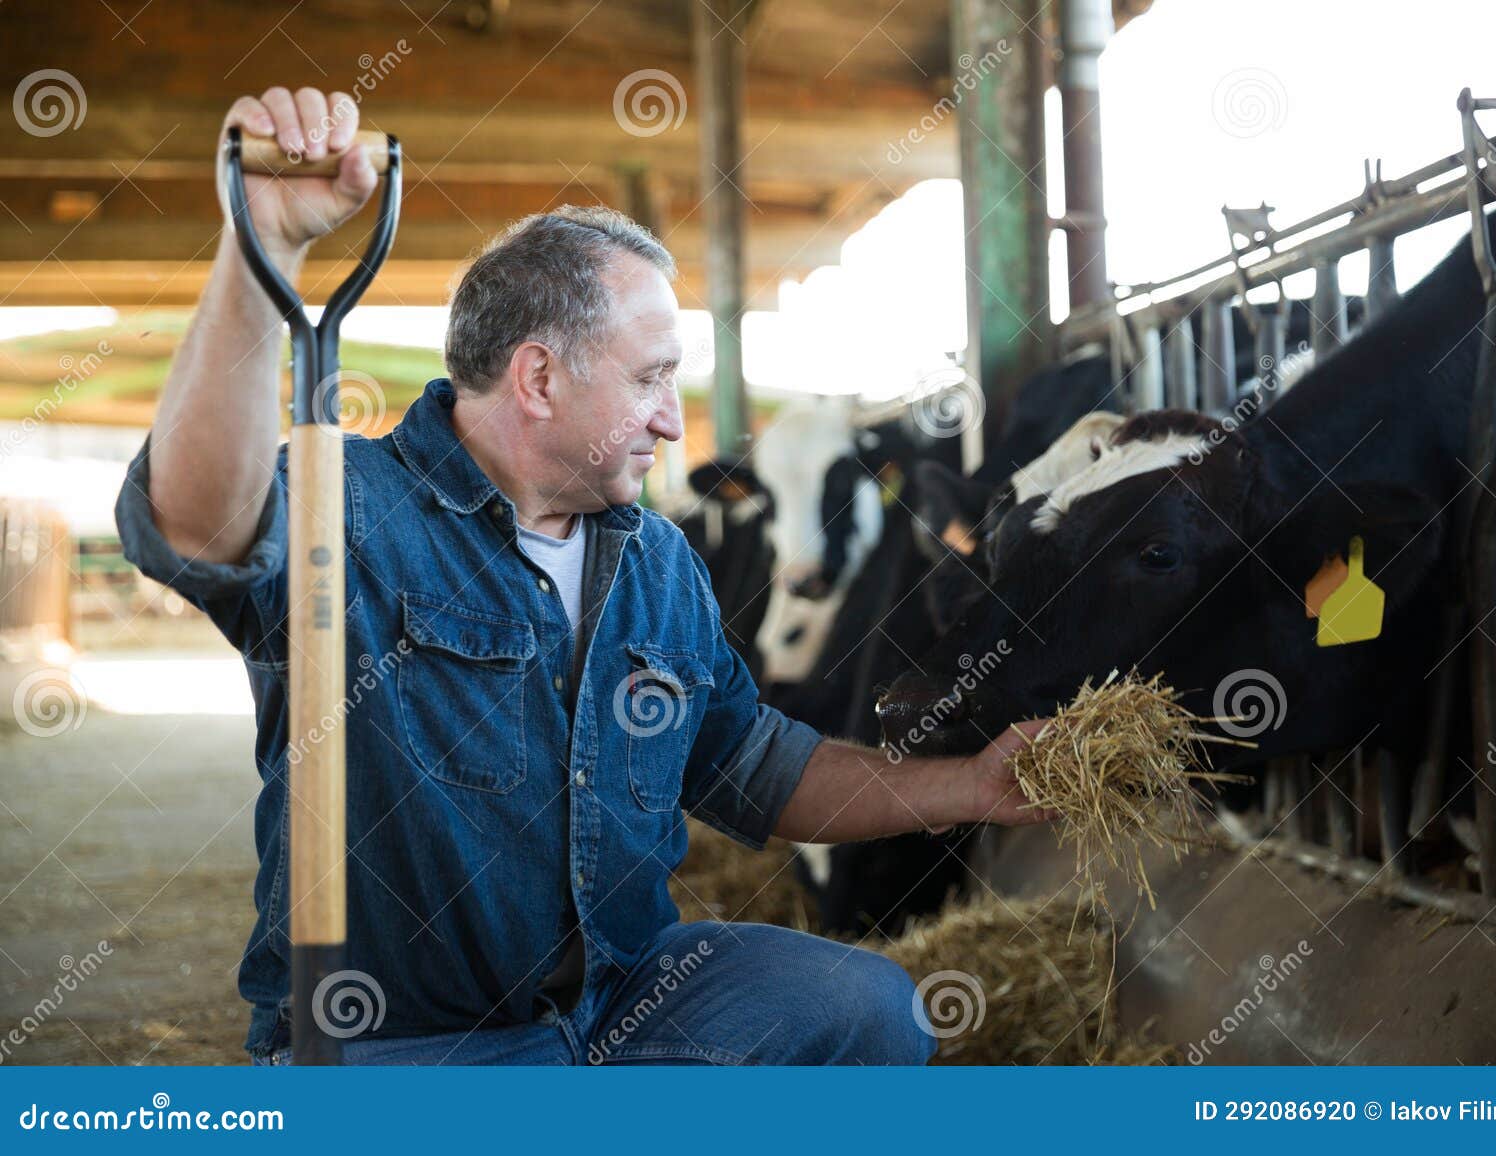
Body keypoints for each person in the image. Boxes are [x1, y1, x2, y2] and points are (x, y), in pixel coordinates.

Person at [117, 86, 1047, 1066]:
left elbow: (754, 767)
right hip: (407, 1046)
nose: (668, 418)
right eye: (649, 376)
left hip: (617, 1006)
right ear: (539, 377)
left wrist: (971, 787)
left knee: (867, 1005)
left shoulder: (655, 560)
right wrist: (262, 253)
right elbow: (195, 519)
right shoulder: (347, 507)